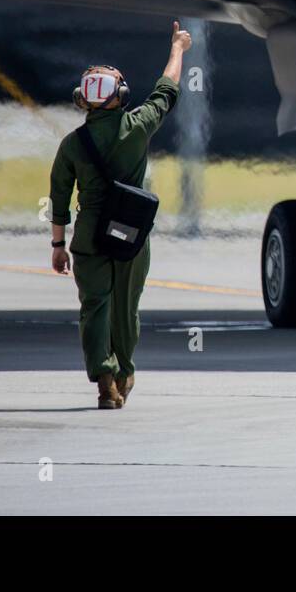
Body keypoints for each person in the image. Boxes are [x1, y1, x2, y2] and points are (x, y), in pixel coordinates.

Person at [49, 21, 192, 409]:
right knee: (127, 307)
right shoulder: (138, 127)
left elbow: (58, 198)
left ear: (84, 100)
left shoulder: (71, 145)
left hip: (88, 238)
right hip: (129, 235)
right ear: (121, 96)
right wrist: (178, 49)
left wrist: (58, 245)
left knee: (94, 307)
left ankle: (105, 378)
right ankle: (125, 369)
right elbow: (167, 90)